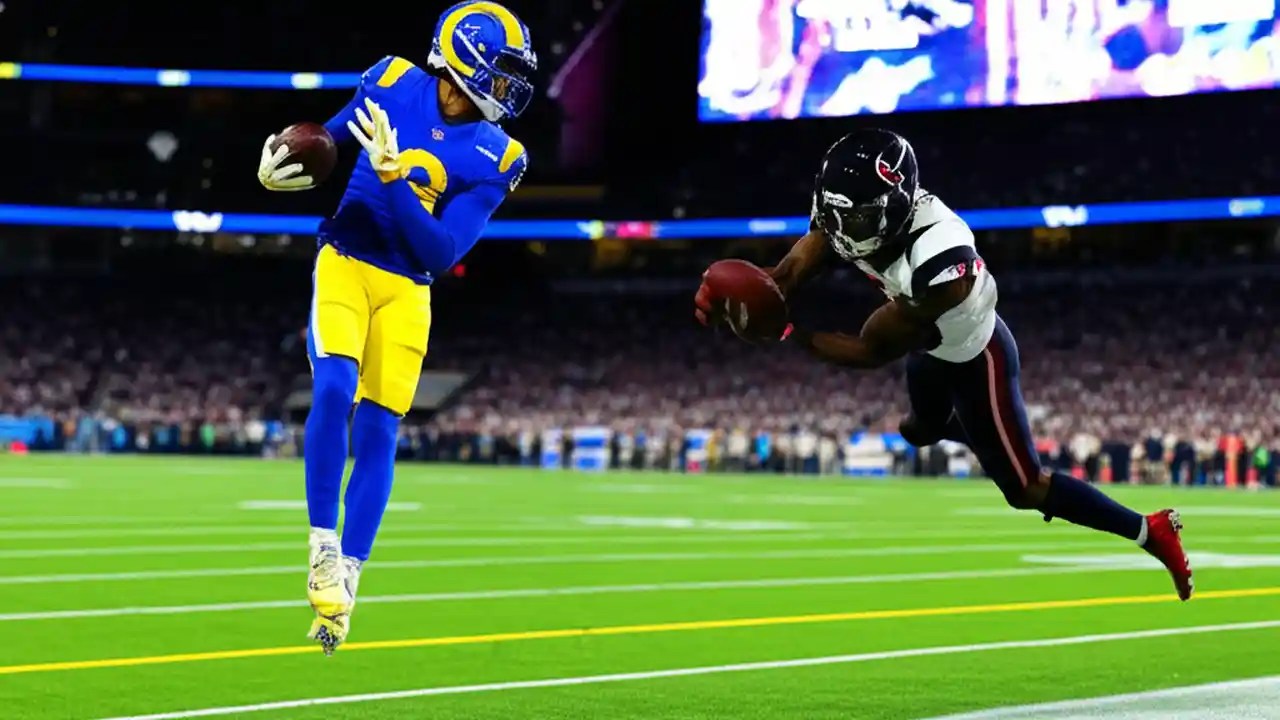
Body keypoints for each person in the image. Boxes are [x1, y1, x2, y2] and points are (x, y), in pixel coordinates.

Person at [694, 128, 1193, 600]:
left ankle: (1149, 530)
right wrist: (739, 294)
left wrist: (784, 332)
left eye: (857, 218)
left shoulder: (941, 260)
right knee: (916, 431)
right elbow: (789, 272)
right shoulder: (849, 210)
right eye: (834, 214)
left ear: (894, 209)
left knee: (1025, 489)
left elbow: (870, 350)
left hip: (976, 356)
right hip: (930, 348)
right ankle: (986, 439)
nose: (841, 229)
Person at [255, 0, 536, 654]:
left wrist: (395, 182)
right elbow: (324, 143)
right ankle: (323, 545)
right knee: (333, 389)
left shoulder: (500, 155)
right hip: (347, 261)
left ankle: (351, 570)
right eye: (499, 71)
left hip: (408, 287)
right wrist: (284, 162)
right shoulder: (391, 81)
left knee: (381, 428)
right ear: (464, 58)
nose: (506, 88)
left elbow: (440, 252)